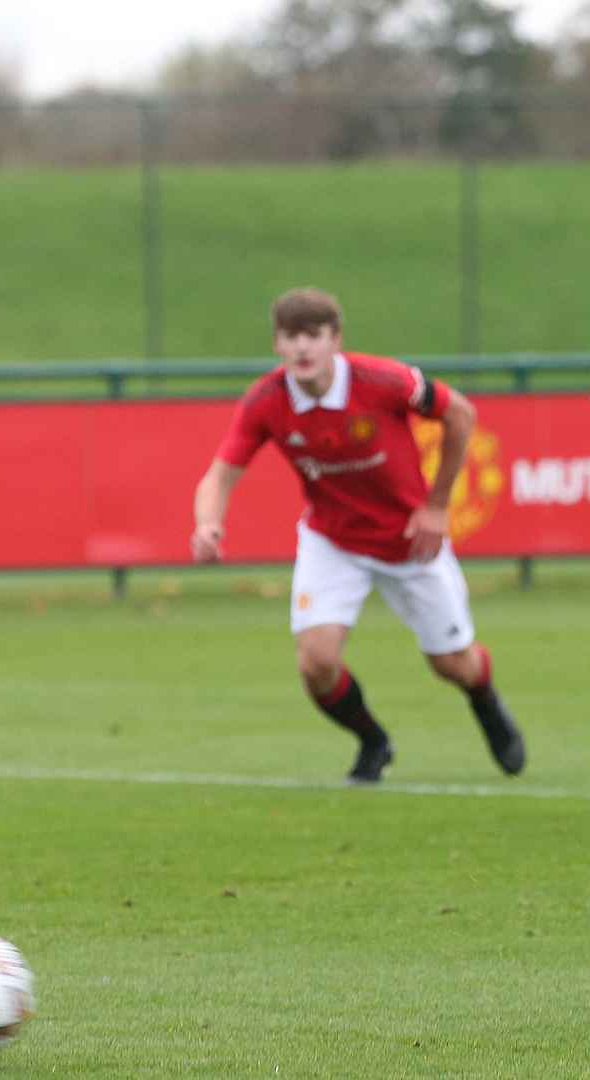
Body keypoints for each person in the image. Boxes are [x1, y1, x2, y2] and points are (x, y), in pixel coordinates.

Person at [190, 287, 523, 784]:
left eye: (313, 336)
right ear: (277, 344)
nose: (303, 348)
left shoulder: (383, 380)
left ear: (335, 340)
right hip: (334, 541)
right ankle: (373, 742)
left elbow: (462, 415)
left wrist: (436, 507)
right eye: (291, 337)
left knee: (454, 665)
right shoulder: (267, 400)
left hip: (409, 539)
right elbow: (219, 474)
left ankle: (485, 699)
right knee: (316, 663)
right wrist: (207, 524)